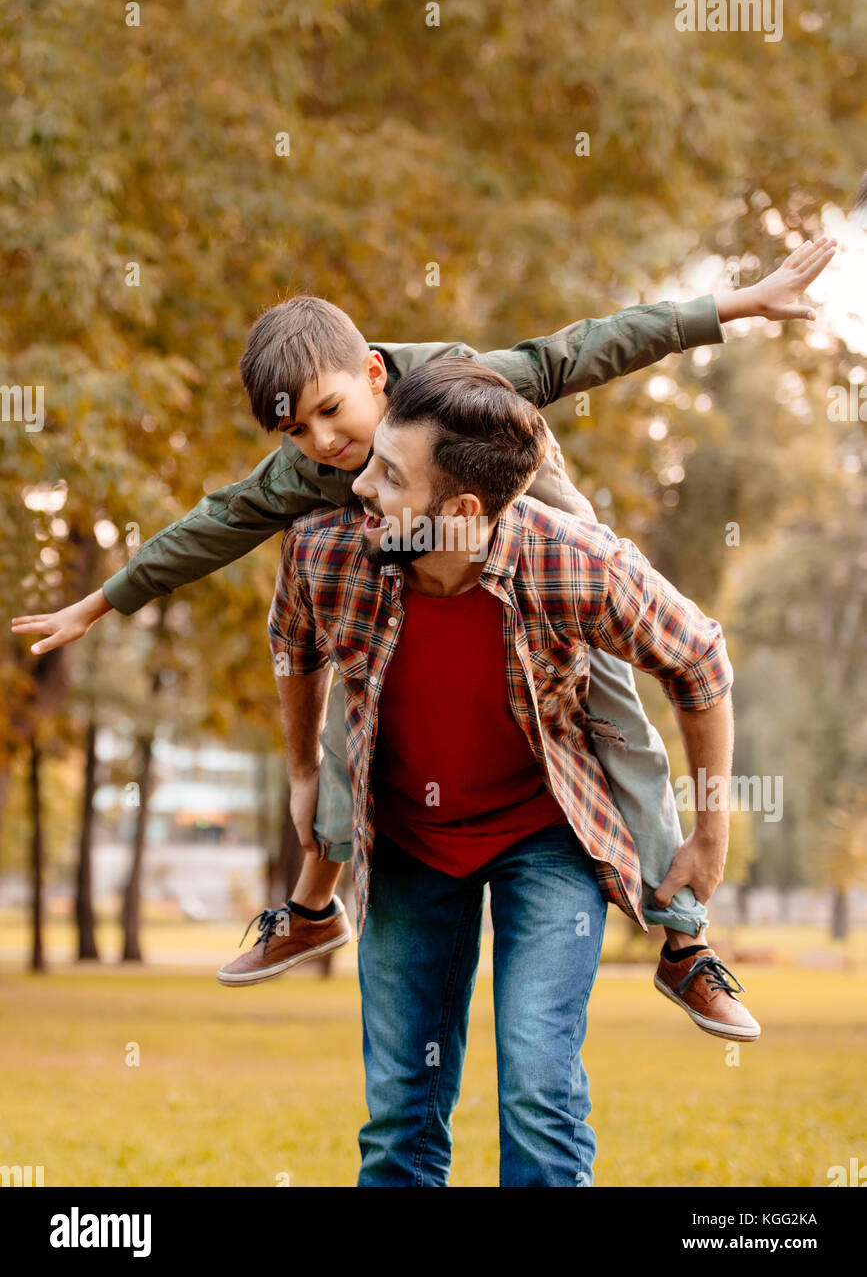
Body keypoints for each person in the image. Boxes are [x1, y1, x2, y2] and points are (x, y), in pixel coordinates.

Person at [11, 239, 834, 1028]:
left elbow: (587, 347)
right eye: (298, 431)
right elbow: (218, 520)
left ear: (374, 373)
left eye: (332, 412)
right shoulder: (312, 469)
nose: (325, 444)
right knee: (352, 723)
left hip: (552, 589)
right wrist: (101, 602)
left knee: (621, 730)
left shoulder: (457, 383)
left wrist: (736, 306)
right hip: (420, 587)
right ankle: (310, 908)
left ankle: (685, 943)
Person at [268, 357, 746, 1186]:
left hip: (545, 840)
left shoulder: (572, 561)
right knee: (398, 1114)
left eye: (388, 475)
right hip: (411, 844)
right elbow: (293, 646)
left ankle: (686, 950)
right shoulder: (326, 554)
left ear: (457, 511)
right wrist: (305, 766)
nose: (359, 490)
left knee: (537, 1090)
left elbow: (699, 661)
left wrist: (710, 832)